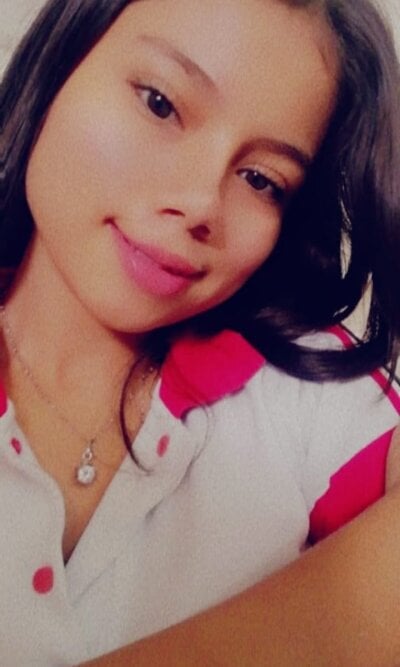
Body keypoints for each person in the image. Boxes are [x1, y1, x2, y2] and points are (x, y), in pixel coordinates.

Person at [1, 0, 399, 665]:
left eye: (261, 179)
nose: (200, 203)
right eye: (160, 104)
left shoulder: (303, 389)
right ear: (61, 61)